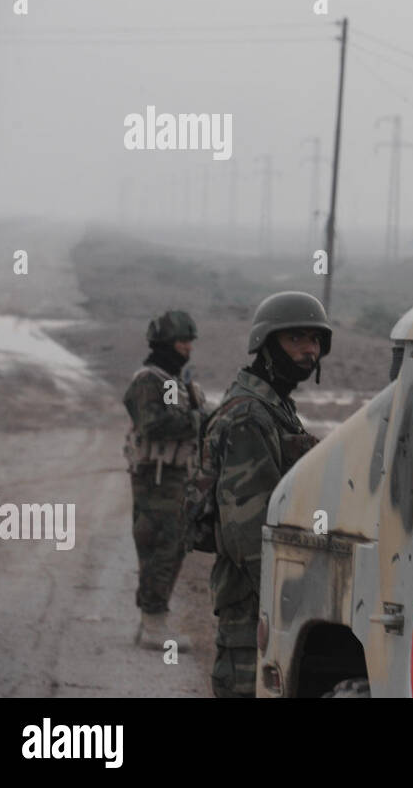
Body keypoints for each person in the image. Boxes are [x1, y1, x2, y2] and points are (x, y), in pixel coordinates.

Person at [204, 291, 329, 698]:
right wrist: (288, 604)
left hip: (268, 598)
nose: (308, 350)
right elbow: (248, 532)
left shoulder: (274, 406)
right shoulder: (248, 415)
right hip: (254, 603)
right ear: (266, 343)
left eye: (314, 340)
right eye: (295, 339)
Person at [123, 309, 204, 649]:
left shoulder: (175, 382)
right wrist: (199, 420)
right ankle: (154, 625)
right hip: (155, 480)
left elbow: (184, 416)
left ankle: (152, 622)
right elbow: (154, 424)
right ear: (165, 344)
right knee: (159, 546)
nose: (187, 348)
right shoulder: (148, 380)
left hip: (174, 478)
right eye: (182, 342)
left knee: (172, 545)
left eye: (189, 341)